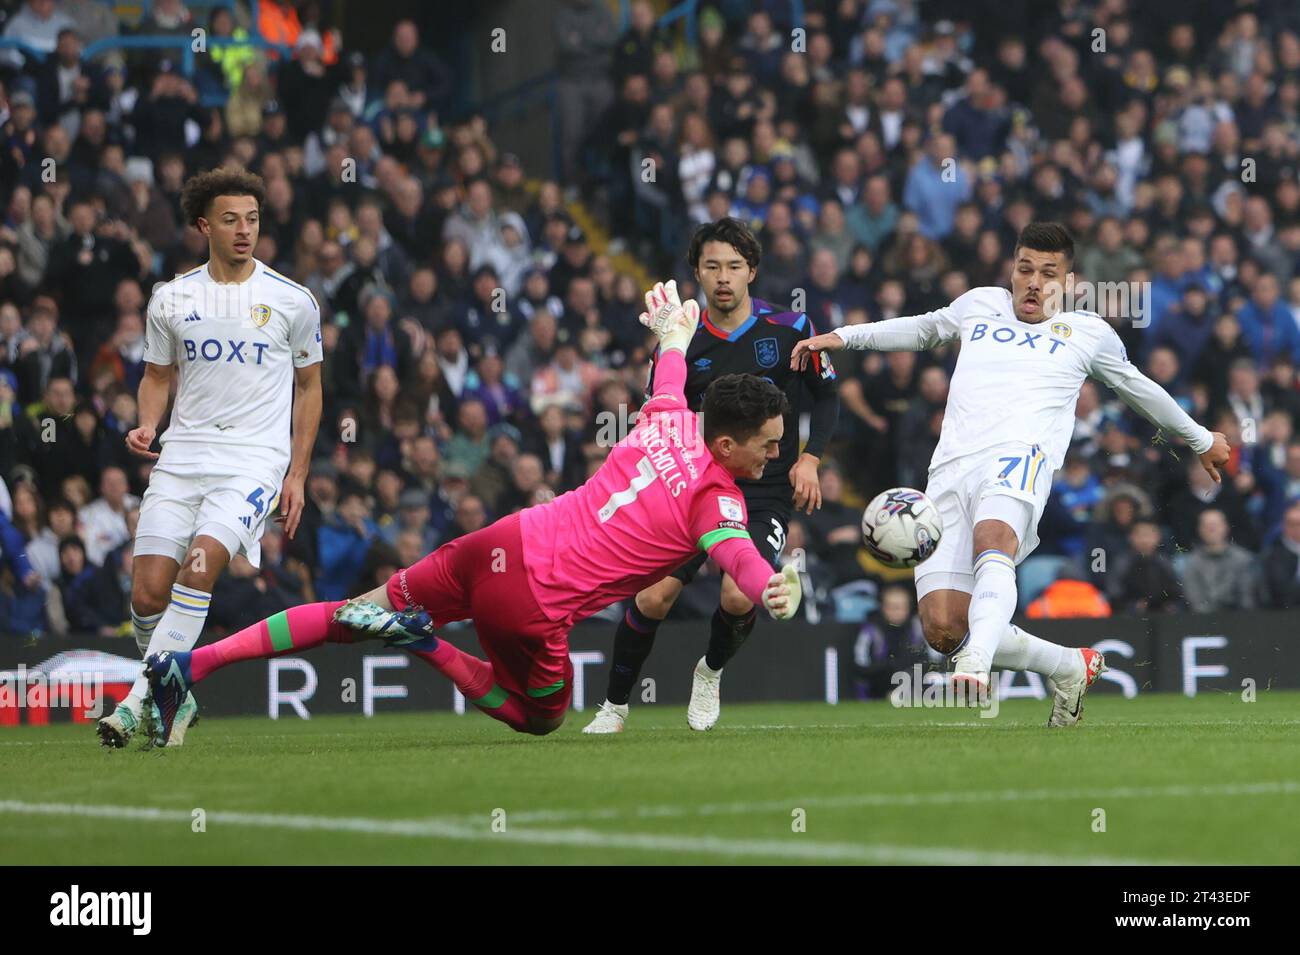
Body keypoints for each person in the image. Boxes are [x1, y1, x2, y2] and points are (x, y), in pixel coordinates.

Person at [145, 281, 802, 742]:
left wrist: (674, 331)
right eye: (768, 444)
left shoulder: (670, 415)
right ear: (726, 443)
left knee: (350, 616)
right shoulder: (717, 497)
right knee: (540, 717)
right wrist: (768, 584)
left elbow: (668, 366)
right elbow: (737, 555)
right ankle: (423, 641)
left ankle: (189, 664)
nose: (775, 455)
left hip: (500, 539)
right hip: (531, 603)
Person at [794, 222, 1230, 726]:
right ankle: (1067, 665)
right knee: (943, 628)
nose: (1034, 282)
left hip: (1020, 461)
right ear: (1012, 269)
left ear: (1067, 282)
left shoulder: (1087, 334)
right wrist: (843, 336)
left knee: (993, 541)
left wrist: (1201, 439)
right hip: (950, 471)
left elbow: (1139, 389)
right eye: (1025, 269)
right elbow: (922, 328)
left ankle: (975, 668)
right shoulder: (980, 304)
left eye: (1048, 273)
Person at [584, 217, 839, 734]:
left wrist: (811, 457)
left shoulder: (791, 329)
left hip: (764, 489)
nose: (723, 277)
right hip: (692, 487)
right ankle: (613, 707)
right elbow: (661, 415)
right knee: (652, 596)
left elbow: (827, 394)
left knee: (738, 595)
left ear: (752, 272)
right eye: (712, 266)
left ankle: (710, 672)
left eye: (734, 266)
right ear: (697, 273)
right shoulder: (678, 342)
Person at [96, 168, 323, 749]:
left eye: (251, 218)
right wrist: (149, 421)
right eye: (230, 219)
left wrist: (296, 473)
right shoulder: (172, 298)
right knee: (146, 594)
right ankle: (179, 699)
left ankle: (135, 705)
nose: (244, 230)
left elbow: (309, 388)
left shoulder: (292, 301)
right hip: (183, 453)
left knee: (199, 570)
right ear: (204, 225)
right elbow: (155, 376)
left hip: (252, 460)